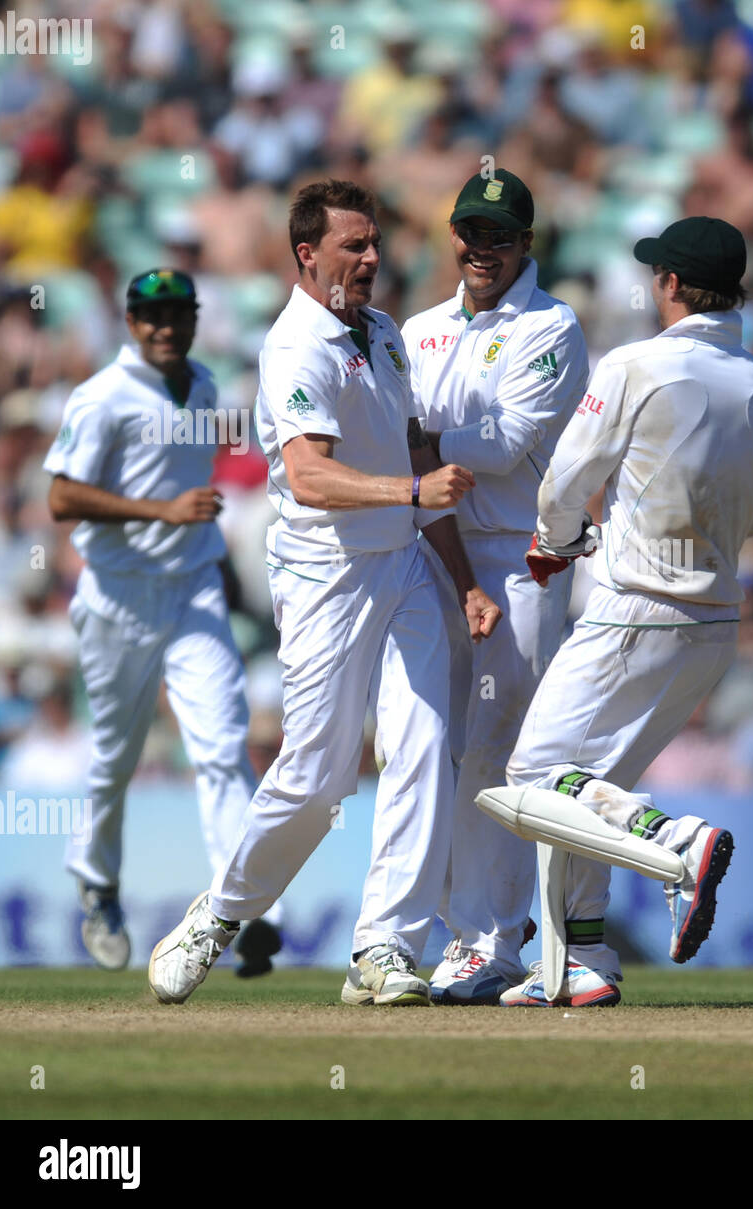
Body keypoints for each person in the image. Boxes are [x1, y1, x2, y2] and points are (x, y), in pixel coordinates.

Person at [148, 180, 501, 1006]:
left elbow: (419, 458)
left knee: (422, 744)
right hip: (325, 576)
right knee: (318, 774)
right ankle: (222, 911)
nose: (373, 257)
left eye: (374, 242)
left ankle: (383, 948)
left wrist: (464, 577)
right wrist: (413, 498)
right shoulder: (294, 345)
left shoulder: (381, 333)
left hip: (405, 563)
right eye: (354, 246)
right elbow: (307, 475)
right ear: (308, 255)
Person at [476, 216, 753, 1007]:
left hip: (633, 611)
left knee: (535, 775)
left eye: (658, 277)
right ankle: (584, 958)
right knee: (591, 783)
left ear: (672, 285)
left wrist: (557, 540)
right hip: (714, 620)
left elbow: (564, 480)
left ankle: (676, 841)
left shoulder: (636, 365)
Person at [44, 268, 280, 978]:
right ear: (129, 321)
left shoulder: (205, 385)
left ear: (195, 317)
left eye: (177, 312)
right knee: (116, 754)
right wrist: (162, 511)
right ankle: (97, 881)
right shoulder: (102, 397)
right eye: (151, 315)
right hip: (118, 594)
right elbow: (60, 497)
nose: (164, 326)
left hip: (193, 588)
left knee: (221, 742)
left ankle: (240, 905)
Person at [399, 169, 589, 1004]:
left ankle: (494, 938)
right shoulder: (420, 327)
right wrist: (408, 445)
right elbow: (401, 446)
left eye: (500, 235)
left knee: (497, 749)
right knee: (422, 746)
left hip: (519, 557)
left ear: (527, 243)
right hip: (432, 545)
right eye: (471, 232)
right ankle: (450, 933)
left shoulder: (552, 325)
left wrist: (416, 435)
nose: (483, 249)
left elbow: (508, 443)